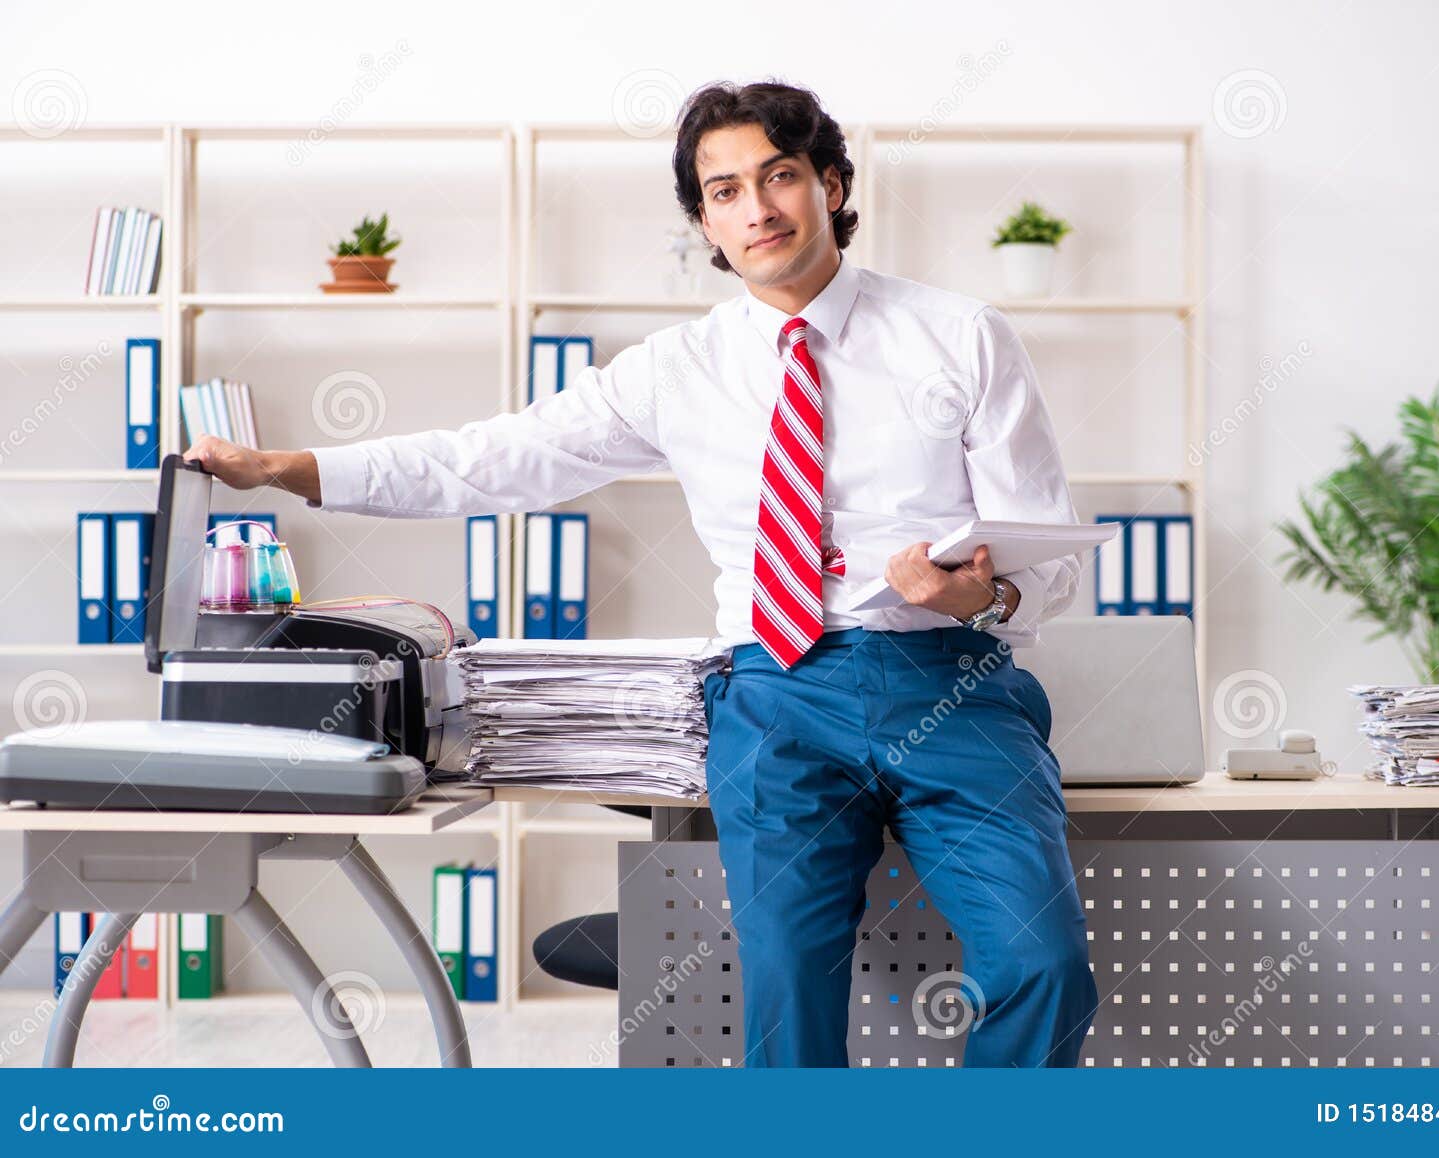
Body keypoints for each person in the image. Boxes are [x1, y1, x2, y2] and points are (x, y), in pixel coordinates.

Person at [185, 79, 1098, 1067]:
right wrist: (288, 470)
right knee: (789, 991)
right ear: (704, 218)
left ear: (830, 184)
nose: (756, 209)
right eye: (723, 191)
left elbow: (1045, 548)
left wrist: (984, 595)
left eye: (779, 176)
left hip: (953, 684)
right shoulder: (676, 370)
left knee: (1043, 965)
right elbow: (486, 457)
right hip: (777, 695)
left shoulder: (959, 336)